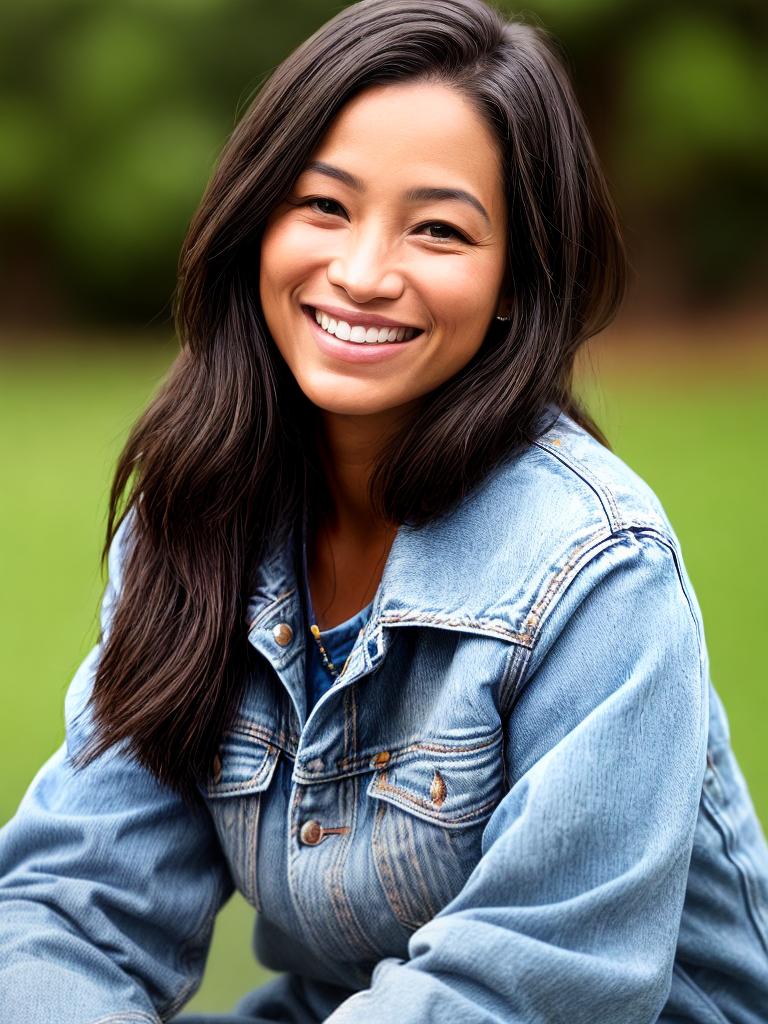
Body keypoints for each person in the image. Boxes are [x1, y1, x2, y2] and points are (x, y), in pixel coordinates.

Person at [1, 0, 767, 1021]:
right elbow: (74, 903)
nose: (363, 273)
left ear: (515, 279)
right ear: (255, 217)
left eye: (440, 229)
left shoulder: (596, 568)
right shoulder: (201, 516)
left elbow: (529, 985)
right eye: (324, 206)